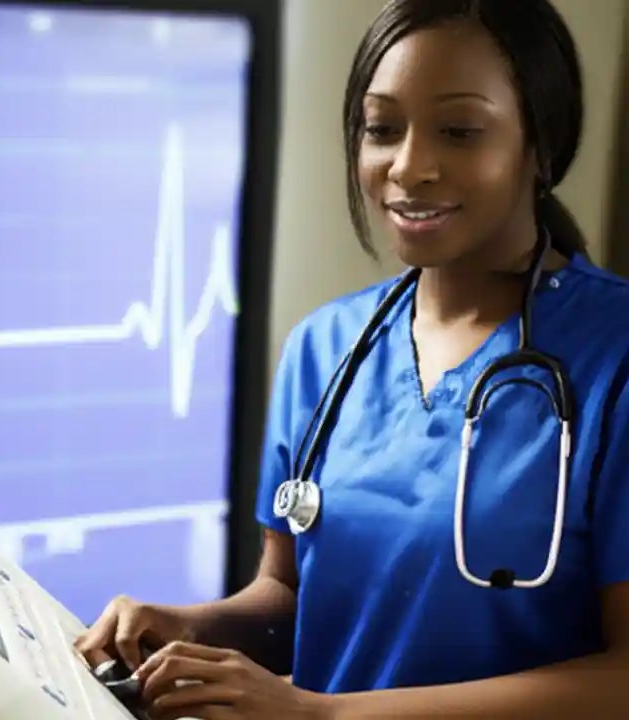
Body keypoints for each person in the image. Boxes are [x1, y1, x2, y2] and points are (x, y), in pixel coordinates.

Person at [73, 0, 629, 718]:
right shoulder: (325, 348)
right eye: (381, 129)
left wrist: (324, 715)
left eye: (459, 131)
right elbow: (287, 598)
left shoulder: (613, 358)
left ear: (540, 144)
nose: (409, 166)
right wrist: (188, 629)